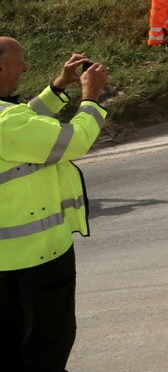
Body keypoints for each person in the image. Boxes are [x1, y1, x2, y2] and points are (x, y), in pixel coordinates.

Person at [0, 38, 108, 372]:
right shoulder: (8, 123)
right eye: (22, 62)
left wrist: (59, 87)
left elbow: (24, 126)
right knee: (48, 345)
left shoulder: (10, 120)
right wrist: (90, 97)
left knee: (10, 344)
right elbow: (73, 140)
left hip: (7, 260)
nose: (26, 68)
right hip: (36, 257)